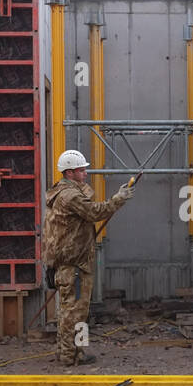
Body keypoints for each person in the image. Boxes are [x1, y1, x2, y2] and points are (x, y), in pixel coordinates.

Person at [43, 149, 134, 365]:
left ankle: (73, 351)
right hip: (75, 266)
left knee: (73, 312)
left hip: (71, 265)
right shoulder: (70, 196)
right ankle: (71, 356)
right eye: (81, 170)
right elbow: (94, 212)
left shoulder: (61, 192)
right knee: (74, 313)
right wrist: (118, 199)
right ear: (69, 173)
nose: (85, 173)